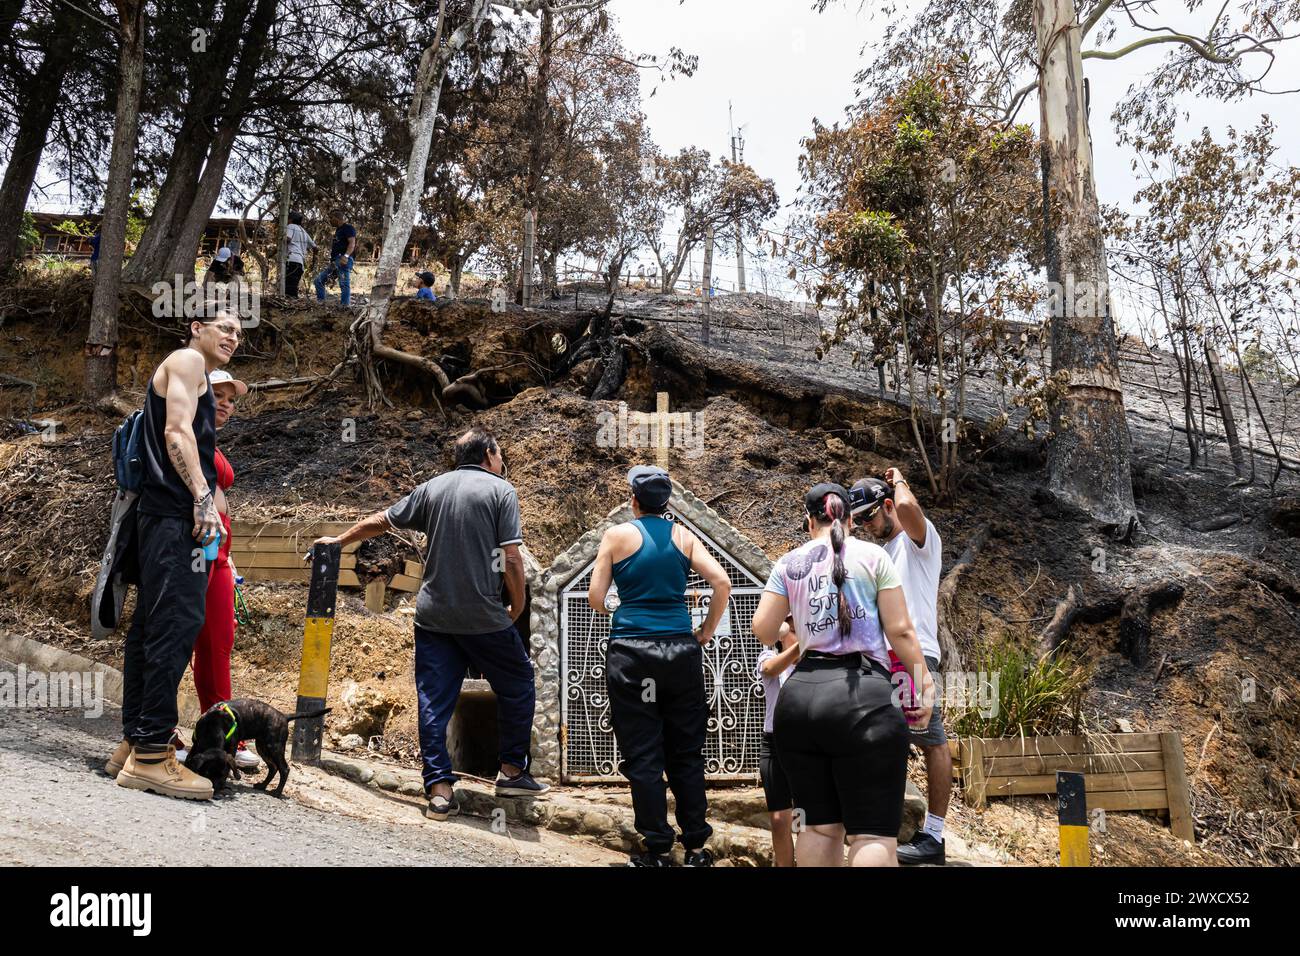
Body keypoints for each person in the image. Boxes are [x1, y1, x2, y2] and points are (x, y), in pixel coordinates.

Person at [313, 428, 546, 820]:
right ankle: (510, 771)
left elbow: (380, 521)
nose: (502, 460)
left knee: (434, 700)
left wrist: (339, 540)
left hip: (434, 615)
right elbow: (511, 558)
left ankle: (439, 791)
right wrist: (518, 605)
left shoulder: (432, 488)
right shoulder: (501, 491)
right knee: (519, 682)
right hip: (483, 616)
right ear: (489, 453)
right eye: (500, 453)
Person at [752, 483, 934, 867]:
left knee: (818, 827)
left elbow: (764, 631)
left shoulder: (788, 564)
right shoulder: (874, 557)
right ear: (851, 518)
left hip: (800, 701)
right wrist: (924, 683)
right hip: (864, 699)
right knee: (871, 832)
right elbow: (901, 631)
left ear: (808, 521)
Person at [104, 312, 242, 801]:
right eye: (225, 326)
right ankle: (153, 758)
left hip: (161, 519)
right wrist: (204, 500)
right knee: (176, 628)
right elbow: (177, 434)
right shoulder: (186, 361)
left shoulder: (194, 372)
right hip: (174, 519)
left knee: (150, 629)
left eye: (240, 333)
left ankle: (134, 743)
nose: (233, 337)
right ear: (195, 326)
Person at [587, 465, 732, 867]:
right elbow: (722, 582)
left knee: (643, 753)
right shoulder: (684, 536)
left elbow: (596, 598)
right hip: (679, 652)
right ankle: (697, 847)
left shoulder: (616, 536)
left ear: (633, 500)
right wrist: (704, 630)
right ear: (666, 503)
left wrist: (617, 605)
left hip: (632, 653)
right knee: (686, 752)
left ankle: (656, 847)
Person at [851, 468, 949, 865]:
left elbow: (908, 505)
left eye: (870, 516)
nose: (864, 526)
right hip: (883, 657)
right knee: (886, 741)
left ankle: (935, 838)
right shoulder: (879, 554)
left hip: (915, 655)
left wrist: (901, 480)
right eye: (858, 521)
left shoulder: (916, 543)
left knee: (930, 741)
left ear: (887, 505)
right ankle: (882, 830)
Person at [184, 369, 260, 773]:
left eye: (232, 398)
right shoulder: (186, 435)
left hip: (218, 556)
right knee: (184, 641)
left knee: (216, 645)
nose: (227, 404)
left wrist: (227, 555)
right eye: (219, 395)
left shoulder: (209, 440)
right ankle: (157, 733)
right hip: (195, 553)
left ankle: (225, 737)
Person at [756, 623, 799, 867]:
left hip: (804, 746)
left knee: (804, 818)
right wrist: (802, 646)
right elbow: (771, 669)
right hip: (773, 744)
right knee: (780, 819)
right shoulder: (769, 655)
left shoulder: (815, 663)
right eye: (792, 624)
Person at [313, 209, 356, 306]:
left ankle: (345, 306)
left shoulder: (348, 228)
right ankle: (321, 303)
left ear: (336, 218)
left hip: (343, 260)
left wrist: (346, 256)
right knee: (318, 280)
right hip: (335, 262)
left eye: (331, 218)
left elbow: (352, 243)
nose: (329, 221)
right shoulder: (338, 230)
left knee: (344, 283)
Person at [283, 211, 315, 298]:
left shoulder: (290, 226)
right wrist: (313, 261)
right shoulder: (303, 231)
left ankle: (289, 306)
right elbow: (315, 247)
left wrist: (280, 238)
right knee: (293, 287)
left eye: (288, 218)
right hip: (300, 262)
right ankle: (293, 304)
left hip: (291, 259)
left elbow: (288, 239)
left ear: (291, 219)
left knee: (288, 288)